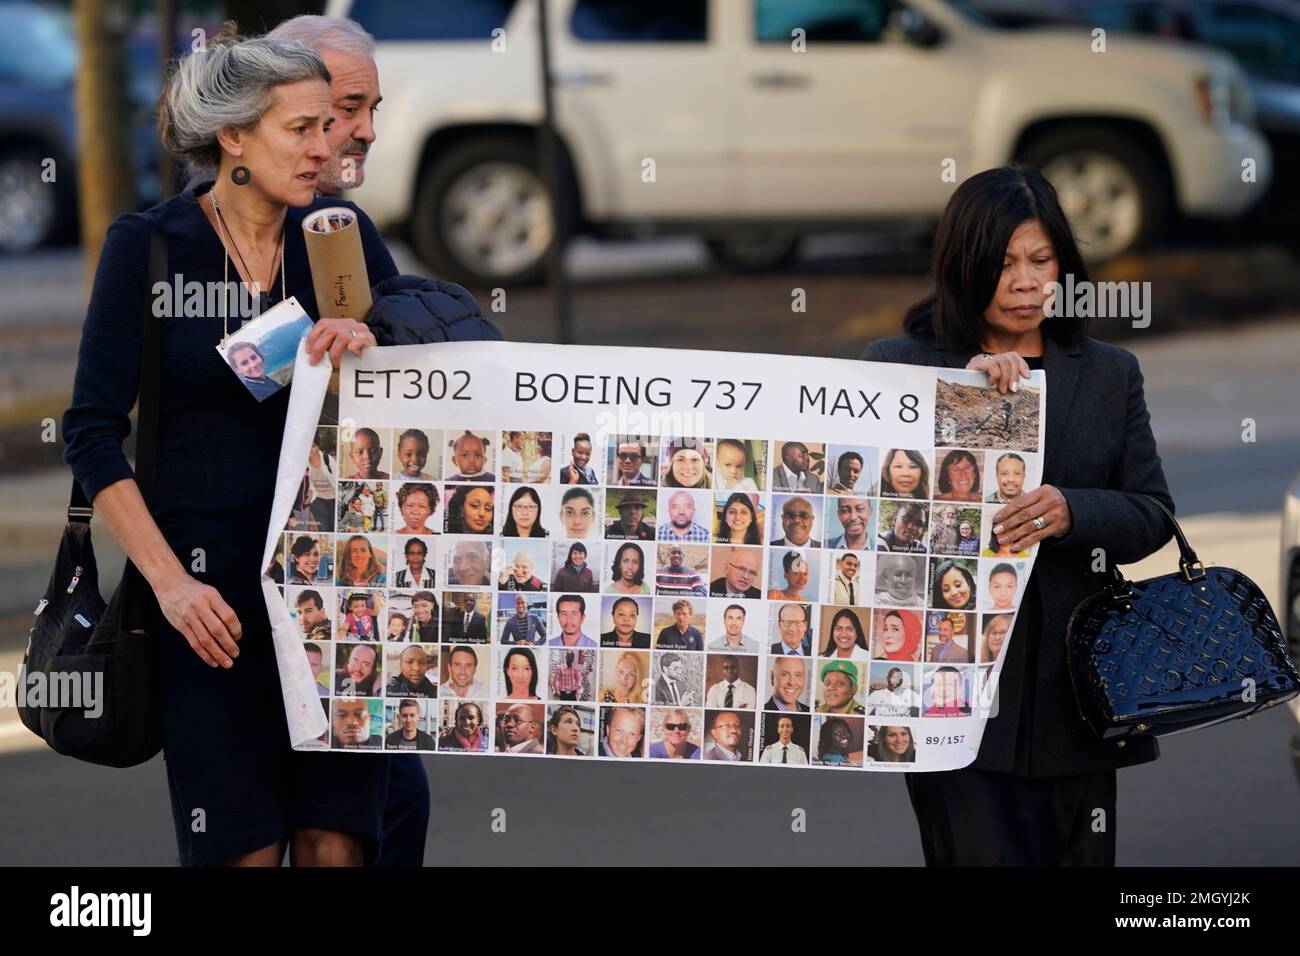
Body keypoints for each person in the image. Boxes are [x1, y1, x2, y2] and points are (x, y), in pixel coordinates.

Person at [863, 165, 1175, 866]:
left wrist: (1073, 510)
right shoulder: (902, 369)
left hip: (1079, 701)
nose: (1027, 281)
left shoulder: (1108, 373)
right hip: (950, 700)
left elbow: (1152, 515)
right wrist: (968, 407)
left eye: (1042, 260)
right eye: (1004, 264)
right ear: (963, 265)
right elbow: (877, 519)